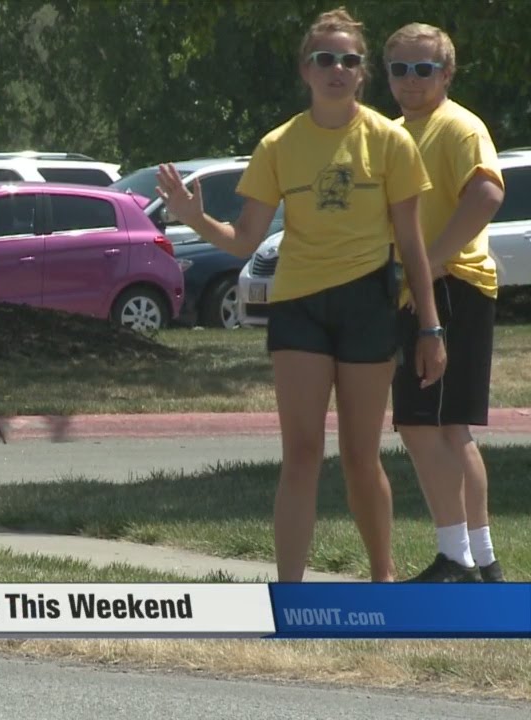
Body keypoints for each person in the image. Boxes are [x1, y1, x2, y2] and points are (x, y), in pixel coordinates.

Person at [156, 7, 446, 582]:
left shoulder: (390, 141)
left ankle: (382, 578)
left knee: (362, 457)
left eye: (349, 60)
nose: (337, 69)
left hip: (367, 302)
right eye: (325, 58)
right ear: (306, 70)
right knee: (303, 454)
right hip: (300, 309)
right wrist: (195, 216)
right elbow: (243, 242)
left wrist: (432, 328)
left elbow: (412, 247)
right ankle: (289, 593)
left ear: (361, 73)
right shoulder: (279, 145)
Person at [384, 24, 506, 582]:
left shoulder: (458, 126)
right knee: (448, 428)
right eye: (399, 69)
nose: (411, 80)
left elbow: (487, 191)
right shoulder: (393, 132)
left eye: (423, 69)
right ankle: (480, 559)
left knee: (424, 425)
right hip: (424, 289)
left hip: (452, 286)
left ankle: (456, 556)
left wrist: (431, 263)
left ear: (447, 73)